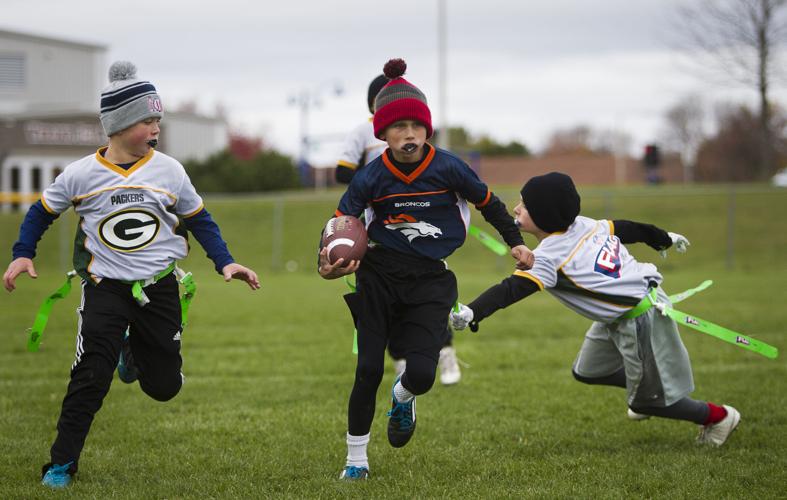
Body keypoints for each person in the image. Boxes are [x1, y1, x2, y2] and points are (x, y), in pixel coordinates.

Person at [2, 61, 260, 488]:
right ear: (119, 124)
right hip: (105, 288)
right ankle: (62, 463)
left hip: (159, 288)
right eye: (147, 120)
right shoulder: (81, 174)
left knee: (164, 388)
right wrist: (22, 253)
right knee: (90, 374)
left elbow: (200, 219)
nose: (156, 129)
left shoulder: (170, 171)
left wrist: (225, 261)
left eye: (158, 119)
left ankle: (133, 352)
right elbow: (40, 212)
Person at [318, 58, 533, 480]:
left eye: (416, 126)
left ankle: (403, 397)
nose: (409, 134)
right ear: (382, 133)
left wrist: (518, 243)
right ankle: (356, 459)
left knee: (421, 375)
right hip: (378, 274)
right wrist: (328, 264)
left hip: (431, 278)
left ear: (427, 129)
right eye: (398, 128)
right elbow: (341, 224)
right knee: (367, 369)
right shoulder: (370, 177)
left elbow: (489, 204)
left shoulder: (449, 166)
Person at [450, 172, 740, 447]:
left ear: (546, 216)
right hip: (619, 313)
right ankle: (645, 385)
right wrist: (660, 236)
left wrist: (473, 311)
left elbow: (509, 290)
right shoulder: (582, 224)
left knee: (644, 403)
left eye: (525, 206)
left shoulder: (549, 257)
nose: (515, 208)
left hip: (639, 317)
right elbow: (627, 228)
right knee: (587, 370)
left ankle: (719, 416)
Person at [335, 73, 461, 385]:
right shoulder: (363, 133)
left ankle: (442, 350)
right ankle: (400, 360)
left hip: (418, 219)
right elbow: (342, 171)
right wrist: (372, 190)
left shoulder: (413, 131)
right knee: (382, 297)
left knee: (424, 290)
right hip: (378, 223)